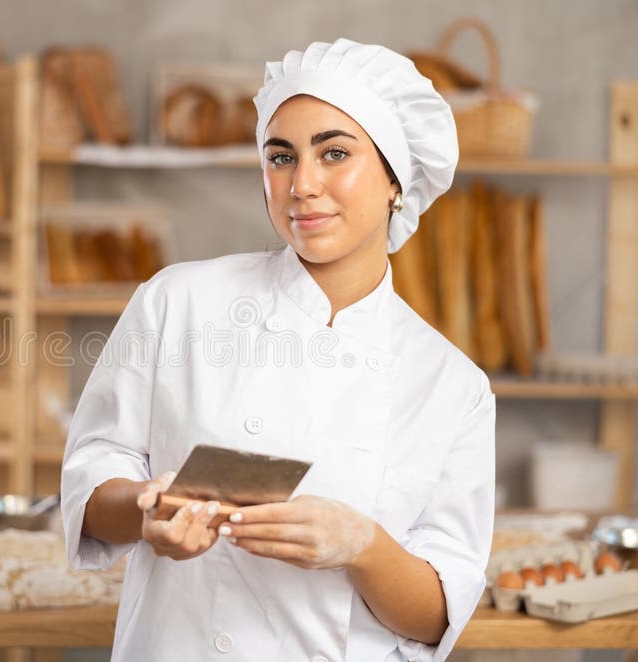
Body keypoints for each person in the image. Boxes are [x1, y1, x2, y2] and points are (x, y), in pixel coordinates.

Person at [61, 39, 495, 662]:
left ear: (397, 182)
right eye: (281, 156)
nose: (302, 185)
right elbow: (93, 479)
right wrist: (145, 513)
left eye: (335, 153)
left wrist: (362, 545)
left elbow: (435, 617)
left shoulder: (451, 386)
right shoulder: (178, 302)